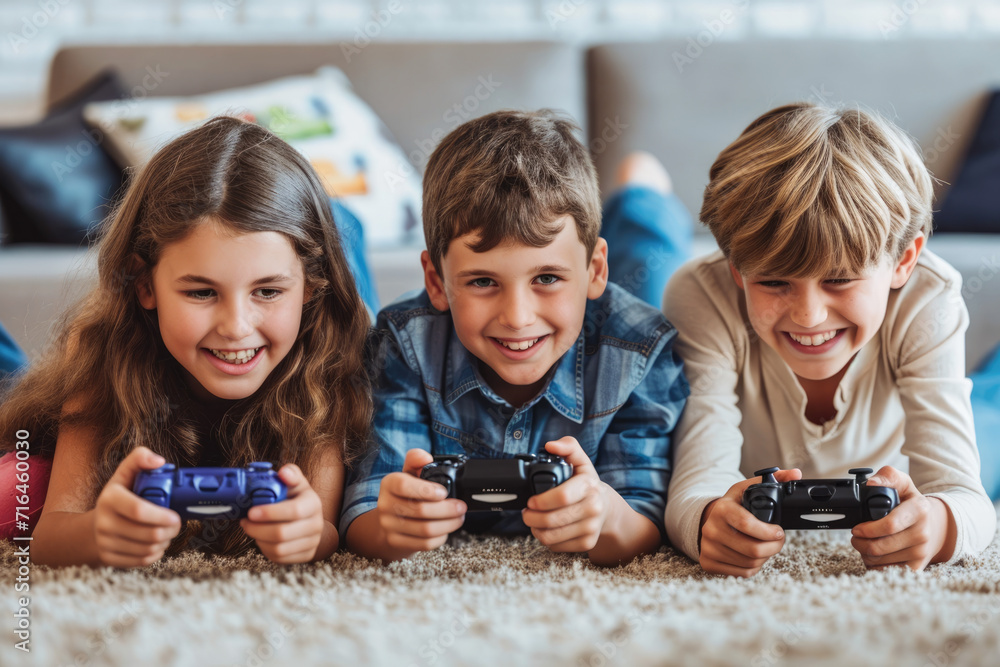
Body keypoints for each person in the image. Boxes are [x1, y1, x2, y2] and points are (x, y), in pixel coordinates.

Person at [0, 117, 373, 567]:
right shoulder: (105, 351)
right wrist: (99, 534)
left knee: (344, 234)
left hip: (328, 279)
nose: (236, 326)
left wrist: (307, 534)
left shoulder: (327, 354)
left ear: (310, 288)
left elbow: (324, 530)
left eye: (267, 291)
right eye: (201, 292)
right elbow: (51, 535)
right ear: (144, 285)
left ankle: (340, 222)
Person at [662, 103, 998, 577]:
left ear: (904, 260)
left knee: (990, 420)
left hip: (924, 425)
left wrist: (940, 523)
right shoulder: (702, 294)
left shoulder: (928, 294)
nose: (808, 315)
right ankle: (643, 190)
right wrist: (704, 522)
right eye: (775, 282)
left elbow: (964, 494)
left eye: (839, 280)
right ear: (737, 269)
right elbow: (693, 481)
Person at [340, 110, 689, 566]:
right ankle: (337, 215)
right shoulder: (404, 343)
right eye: (483, 282)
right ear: (437, 281)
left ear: (595, 270)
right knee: (339, 299)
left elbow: (644, 517)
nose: (518, 318)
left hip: (610, 323)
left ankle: (641, 191)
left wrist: (607, 517)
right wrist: (394, 527)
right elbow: (366, 511)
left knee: (650, 266)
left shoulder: (639, 348)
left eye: (546, 277)